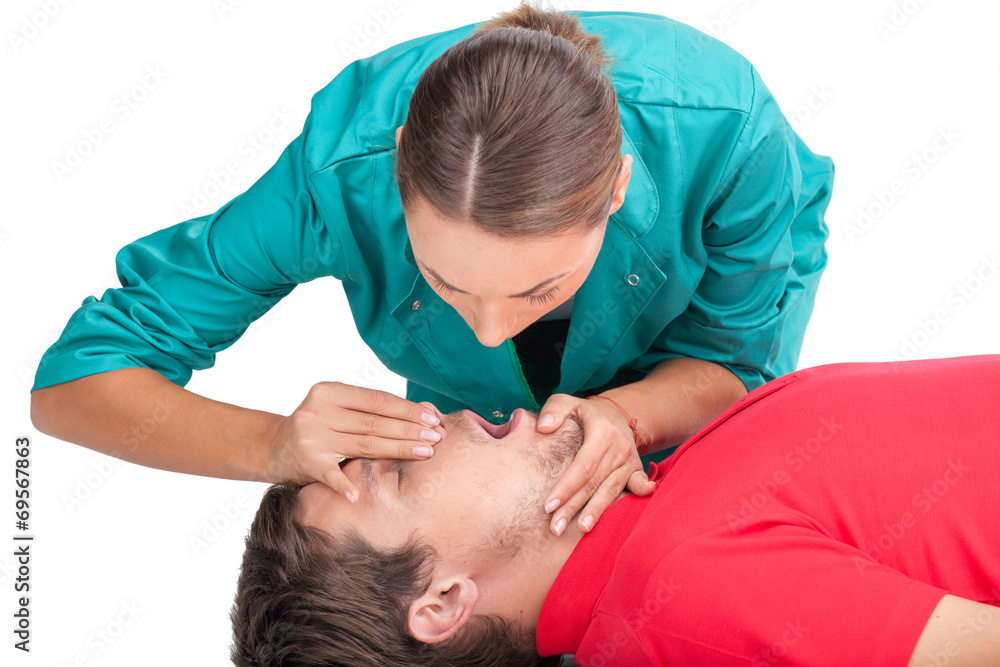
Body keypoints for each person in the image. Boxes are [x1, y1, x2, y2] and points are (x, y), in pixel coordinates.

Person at [29, 2, 835, 539]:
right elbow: (75, 384)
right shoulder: (337, 171)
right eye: (447, 282)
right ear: (396, 176)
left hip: (696, 353)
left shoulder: (725, 128)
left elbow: (730, 364)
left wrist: (626, 416)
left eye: (539, 289)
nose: (489, 328)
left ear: (619, 188)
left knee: (682, 527)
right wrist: (271, 443)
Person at [231, 354, 1000, 667]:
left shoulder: (653, 518)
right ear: (441, 600)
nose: (431, 423)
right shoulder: (683, 595)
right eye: (397, 474)